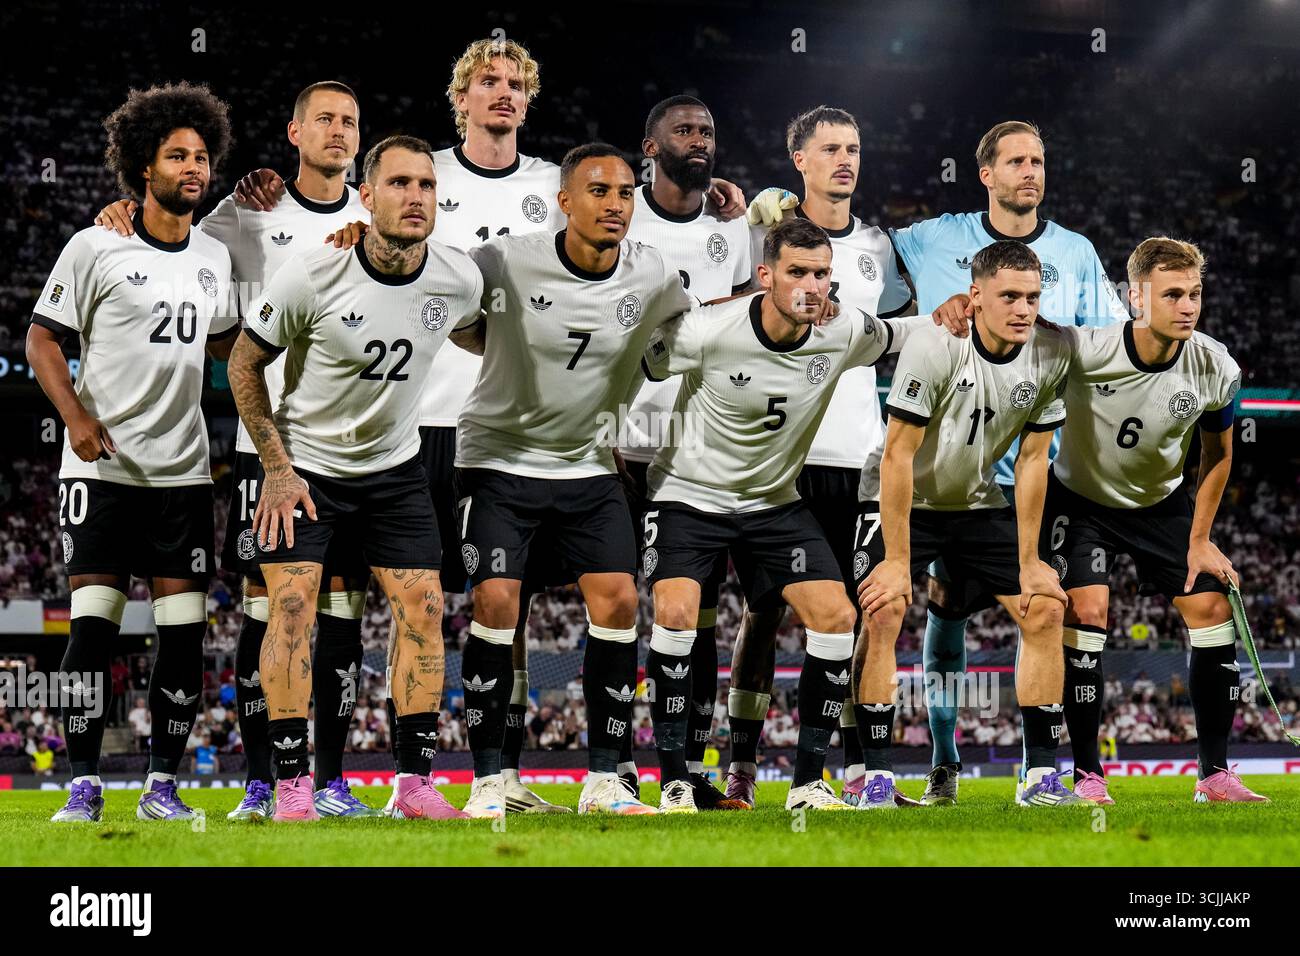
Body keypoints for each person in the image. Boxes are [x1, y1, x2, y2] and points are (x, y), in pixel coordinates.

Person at [94, 80, 378, 822]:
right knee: (268, 615)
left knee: (343, 617)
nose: (339, 131)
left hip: (356, 448)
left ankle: (332, 779)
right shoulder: (245, 213)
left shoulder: (375, 212)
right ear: (294, 132)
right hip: (271, 448)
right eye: (325, 119)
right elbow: (170, 234)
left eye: (350, 121)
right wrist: (123, 210)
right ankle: (262, 781)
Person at [226, 134, 483, 822]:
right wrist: (276, 469)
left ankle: (414, 784)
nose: (415, 197)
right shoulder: (313, 271)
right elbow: (243, 364)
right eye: (398, 184)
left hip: (396, 472)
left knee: (427, 611)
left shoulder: (458, 279)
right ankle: (290, 784)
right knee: (289, 610)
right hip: (306, 468)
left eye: (426, 186)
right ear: (366, 197)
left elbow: (487, 334)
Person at [641, 216, 917, 811]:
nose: (812, 286)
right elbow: (639, 362)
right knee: (678, 611)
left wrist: (948, 316)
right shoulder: (710, 327)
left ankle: (808, 784)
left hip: (772, 504)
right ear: (764, 276)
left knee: (838, 616)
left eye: (822, 274)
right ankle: (674, 783)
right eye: (797, 273)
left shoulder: (842, 331)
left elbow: (899, 336)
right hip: (689, 496)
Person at [453, 144, 692, 815]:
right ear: (564, 201)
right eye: (598, 190)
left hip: (589, 462)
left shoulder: (652, 273)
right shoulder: (504, 259)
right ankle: (490, 781)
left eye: (624, 192)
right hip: (498, 458)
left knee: (618, 600)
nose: (615, 203)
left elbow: (681, 338)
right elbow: (460, 321)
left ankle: (605, 780)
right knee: (496, 601)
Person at [30, 83, 238, 823]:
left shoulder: (215, 255)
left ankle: (160, 787)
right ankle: (81, 786)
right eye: (177, 154)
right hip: (101, 468)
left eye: (202, 156)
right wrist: (75, 415)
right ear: (141, 166)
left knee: (182, 636)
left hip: (182, 473)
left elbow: (230, 345)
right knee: (95, 626)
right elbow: (42, 338)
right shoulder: (96, 244)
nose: (193, 166)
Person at [854, 239, 1085, 808]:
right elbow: (897, 457)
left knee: (1047, 607)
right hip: (900, 498)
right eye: (1009, 296)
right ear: (974, 297)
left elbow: (1034, 462)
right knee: (883, 608)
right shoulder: (935, 347)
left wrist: (1031, 563)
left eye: (1032, 297)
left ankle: (1040, 779)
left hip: (976, 502)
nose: (1024, 309)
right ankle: (876, 779)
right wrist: (899, 560)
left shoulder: (1051, 352)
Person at [1043, 237, 1265, 803]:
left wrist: (1200, 540)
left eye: (1194, 293)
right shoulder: (1087, 351)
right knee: (1087, 611)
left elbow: (1218, 456)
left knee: (1212, 606)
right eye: (1172, 294)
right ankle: (1089, 774)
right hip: (1080, 500)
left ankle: (1214, 774)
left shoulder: (1216, 366)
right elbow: (1028, 336)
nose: (1188, 305)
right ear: (1135, 297)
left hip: (1160, 502)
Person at [617, 94, 753, 807]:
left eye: (707, 130)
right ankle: (614, 768)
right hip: (617, 443)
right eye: (683, 130)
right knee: (610, 608)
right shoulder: (618, 213)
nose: (698, 140)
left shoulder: (731, 232)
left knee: (694, 615)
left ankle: (687, 768)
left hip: (697, 448)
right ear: (650, 144)